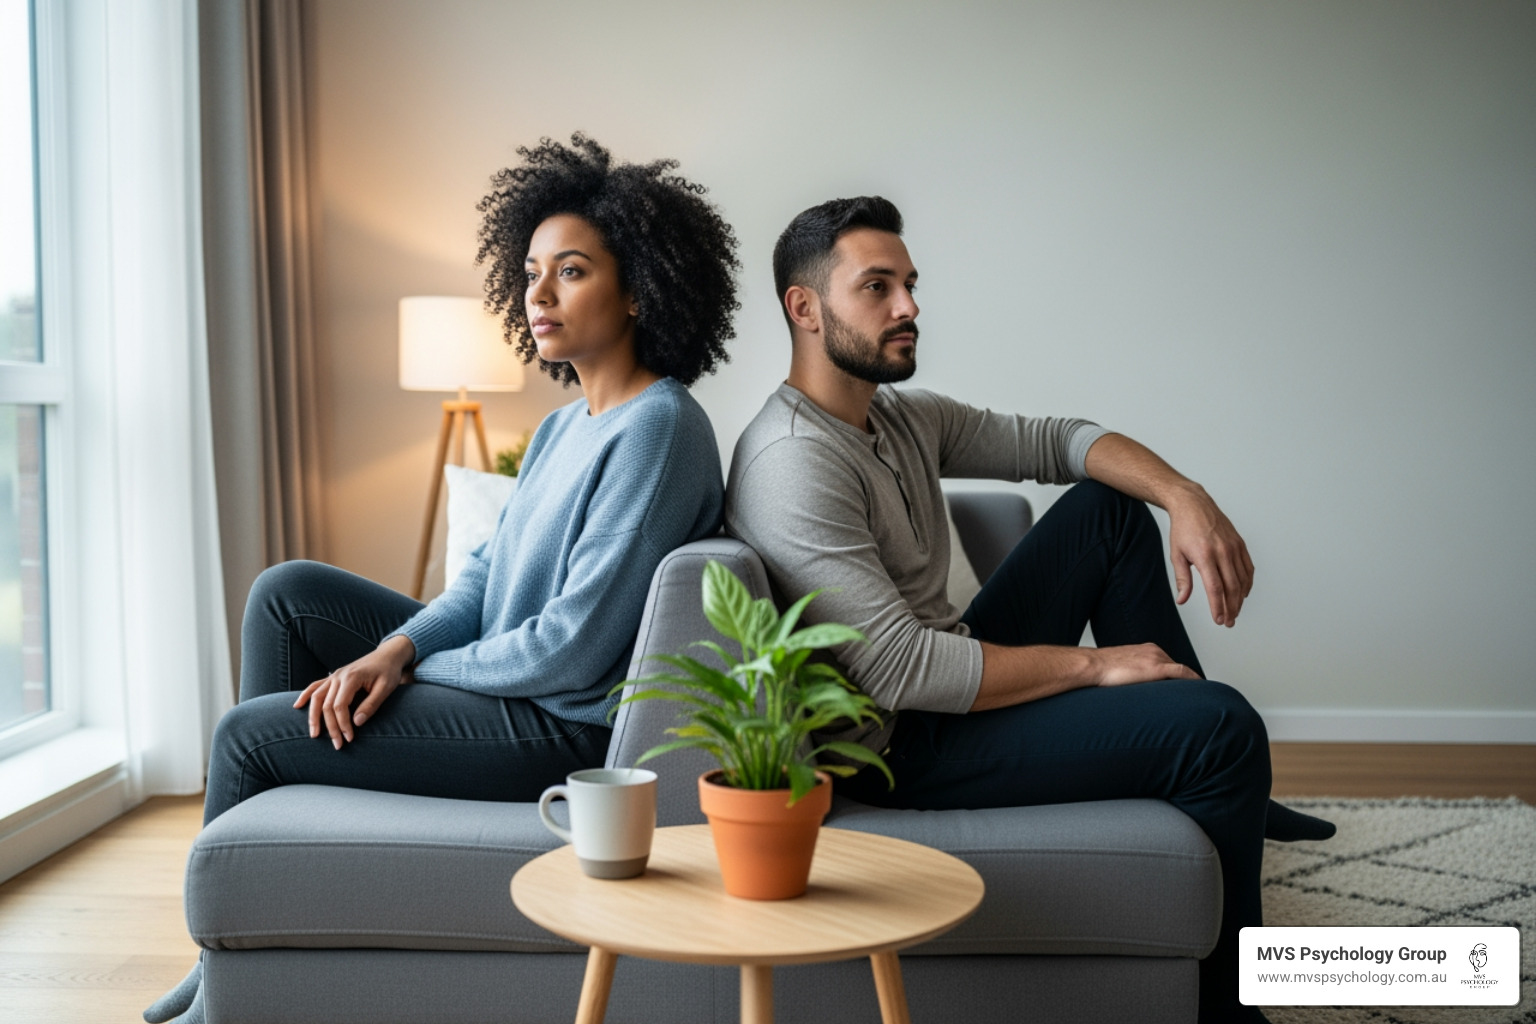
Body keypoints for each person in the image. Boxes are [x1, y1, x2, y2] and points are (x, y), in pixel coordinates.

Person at [144, 134, 740, 1024]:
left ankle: (215, 976)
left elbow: (572, 648)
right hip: (510, 682)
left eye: (570, 272)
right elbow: (485, 578)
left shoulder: (658, 430)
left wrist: (411, 671)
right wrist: (396, 648)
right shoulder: (562, 426)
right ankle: (265, 878)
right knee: (287, 593)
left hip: (556, 724)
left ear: (641, 287)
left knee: (247, 738)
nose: (538, 294)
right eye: (532, 271)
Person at [724, 196, 1330, 1024]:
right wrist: (1100, 666)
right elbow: (900, 667)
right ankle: (1233, 1002)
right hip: (900, 743)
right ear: (805, 308)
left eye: (909, 283)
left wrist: (1185, 495)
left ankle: (1218, 777)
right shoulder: (792, 462)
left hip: (948, 682)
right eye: (877, 287)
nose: (909, 307)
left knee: (1106, 511)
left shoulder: (897, 415)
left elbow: (1057, 439)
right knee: (1223, 729)